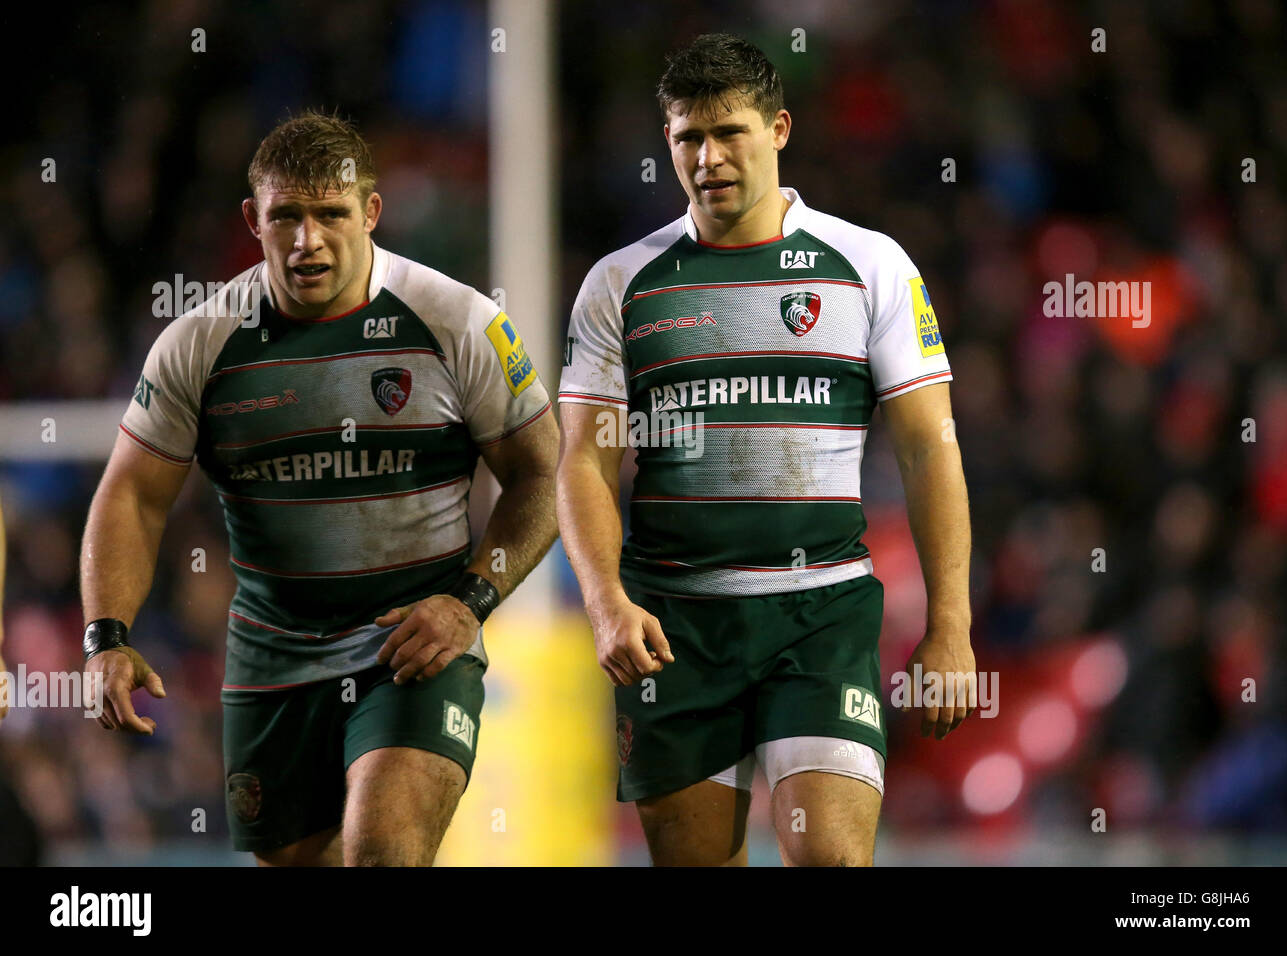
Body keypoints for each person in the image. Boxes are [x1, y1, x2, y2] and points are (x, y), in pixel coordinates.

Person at [80, 110, 558, 866]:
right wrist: (107, 637)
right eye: (287, 217)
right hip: (273, 661)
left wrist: (470, 601)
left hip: (413, 646)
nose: (308, 240)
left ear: (371, 212)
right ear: (254, 220)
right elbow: (133, 496)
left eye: (331, 214)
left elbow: (542, 476)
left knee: (382, 848)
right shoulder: (198, 345)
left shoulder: (458, 322)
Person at [556, 34, 975, 866]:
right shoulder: (621, 283)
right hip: (673, 623)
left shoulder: (869, 266)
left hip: (819, 616)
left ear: (779, 129)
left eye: (729, 133)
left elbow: (930, 449)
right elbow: (583, 461)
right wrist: (604, 603)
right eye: (688, 138)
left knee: (831, 856)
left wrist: (951, 627)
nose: (707, 158)